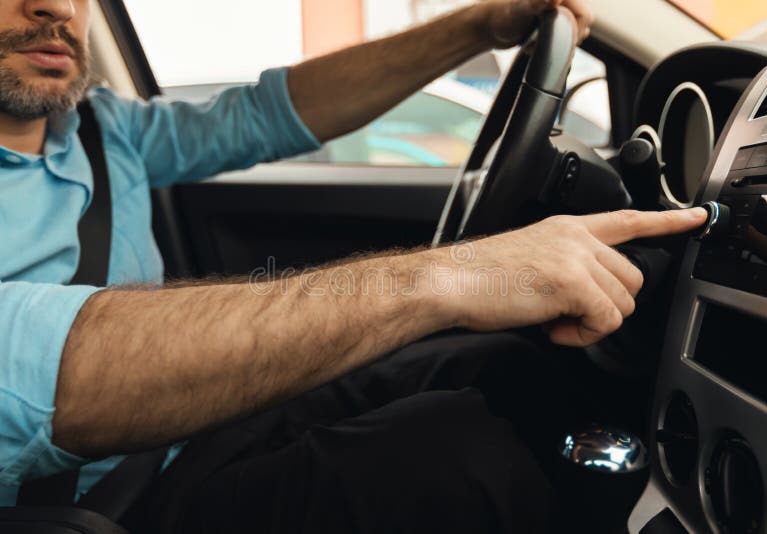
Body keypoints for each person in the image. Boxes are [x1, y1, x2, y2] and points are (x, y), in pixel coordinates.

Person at [0, 0, 707, 531]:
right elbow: (43, 372)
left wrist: (474, 26)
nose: (59, 8)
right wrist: (445, 277)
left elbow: (268, 113)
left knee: (500, 367)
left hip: (191, 428)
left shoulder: (102, 130)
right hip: (87, 507)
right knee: (470, 462)